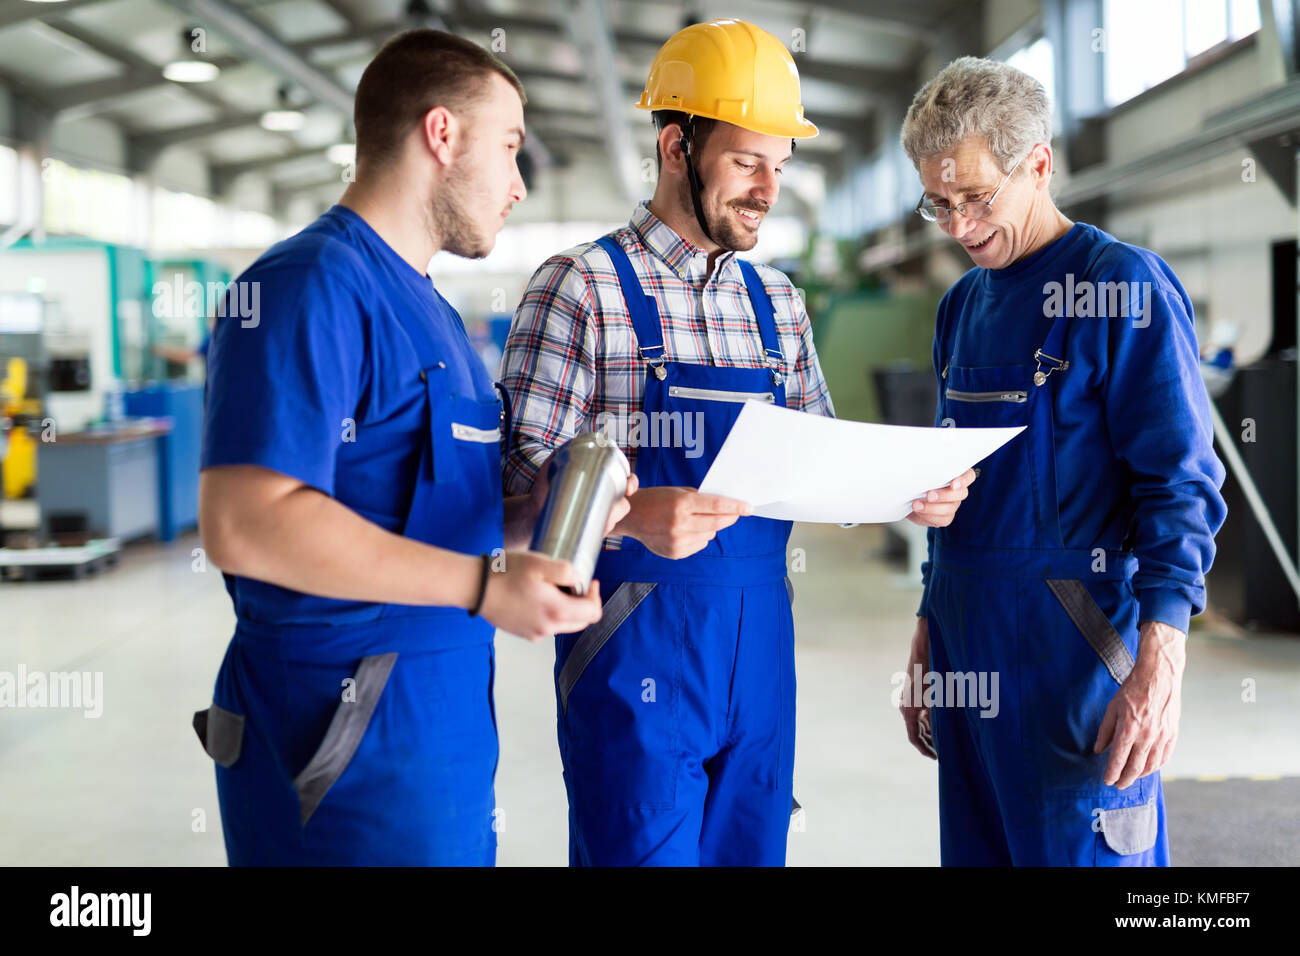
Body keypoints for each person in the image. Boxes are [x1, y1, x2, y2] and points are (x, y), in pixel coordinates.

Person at [501, 18, 974, 866]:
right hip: (633, 643)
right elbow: (516, 485)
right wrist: (627, 514)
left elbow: (821, 459)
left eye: (779, 169)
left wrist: (908, 492)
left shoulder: (779, 304)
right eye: (748, 163)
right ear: (677, 145)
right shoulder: (579, 287)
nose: (767, 189)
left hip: (760, 645)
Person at [193, 29, 630, 866]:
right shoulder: (307, 285)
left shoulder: (432, 313)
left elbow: (408, 509)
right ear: (441, 134)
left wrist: (535, 518)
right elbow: (245, 523)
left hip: (436, 730)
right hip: (339, 735)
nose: (517, 184)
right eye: (509, 149)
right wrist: (482, 584)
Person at [897, 56, 1227, 866]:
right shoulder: (961, 306)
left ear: (1039, 164)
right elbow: (956, 484)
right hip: (967, 648)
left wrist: (1162, 661)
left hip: (1076, 664)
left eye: (976, 198)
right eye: (938, 204)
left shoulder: (1122, 288)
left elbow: (1180, 483)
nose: (960, 228)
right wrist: (926, 623)